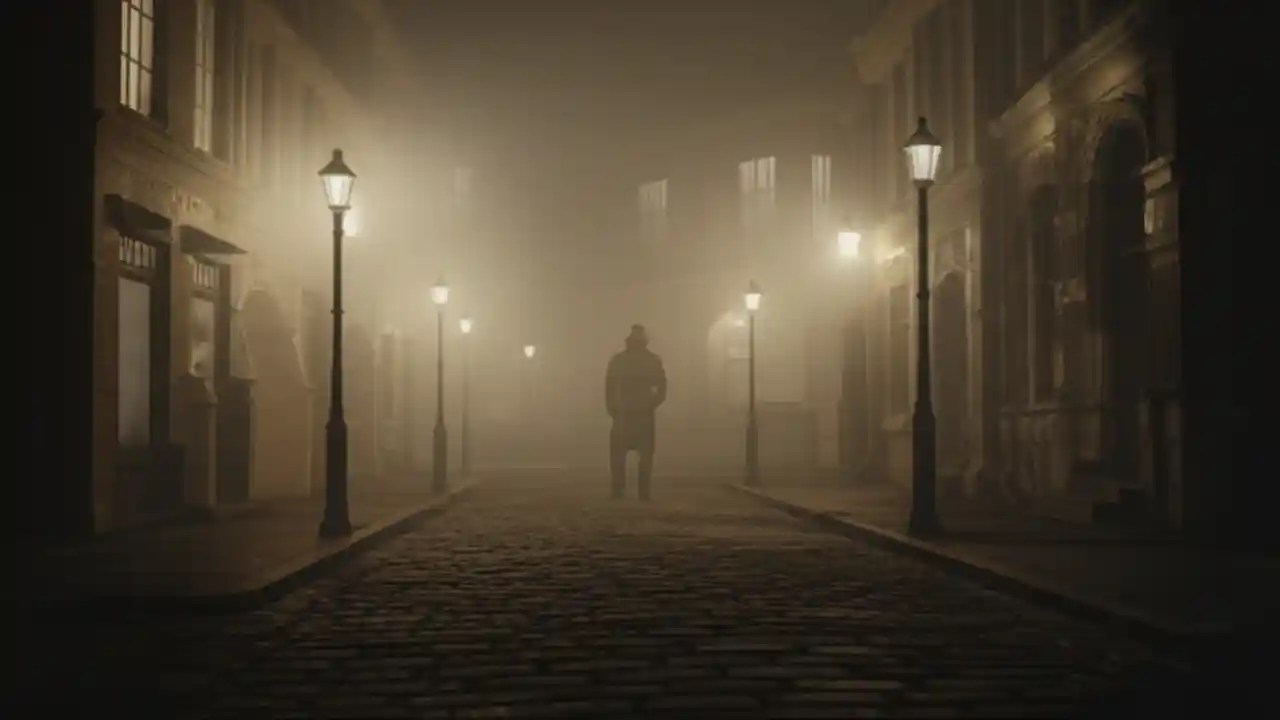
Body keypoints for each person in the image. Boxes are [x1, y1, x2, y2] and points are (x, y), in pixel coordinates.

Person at [605, 324, 667, 500]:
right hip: (643, 413)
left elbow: (608, 387)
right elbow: (662, 387)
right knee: (645, 456)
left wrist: (611, 408)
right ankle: (643, 492)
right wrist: (653, 403)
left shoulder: (618, 360)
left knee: (618, 455)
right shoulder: (653, 360)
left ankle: (618, 490)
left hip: (623, 412)